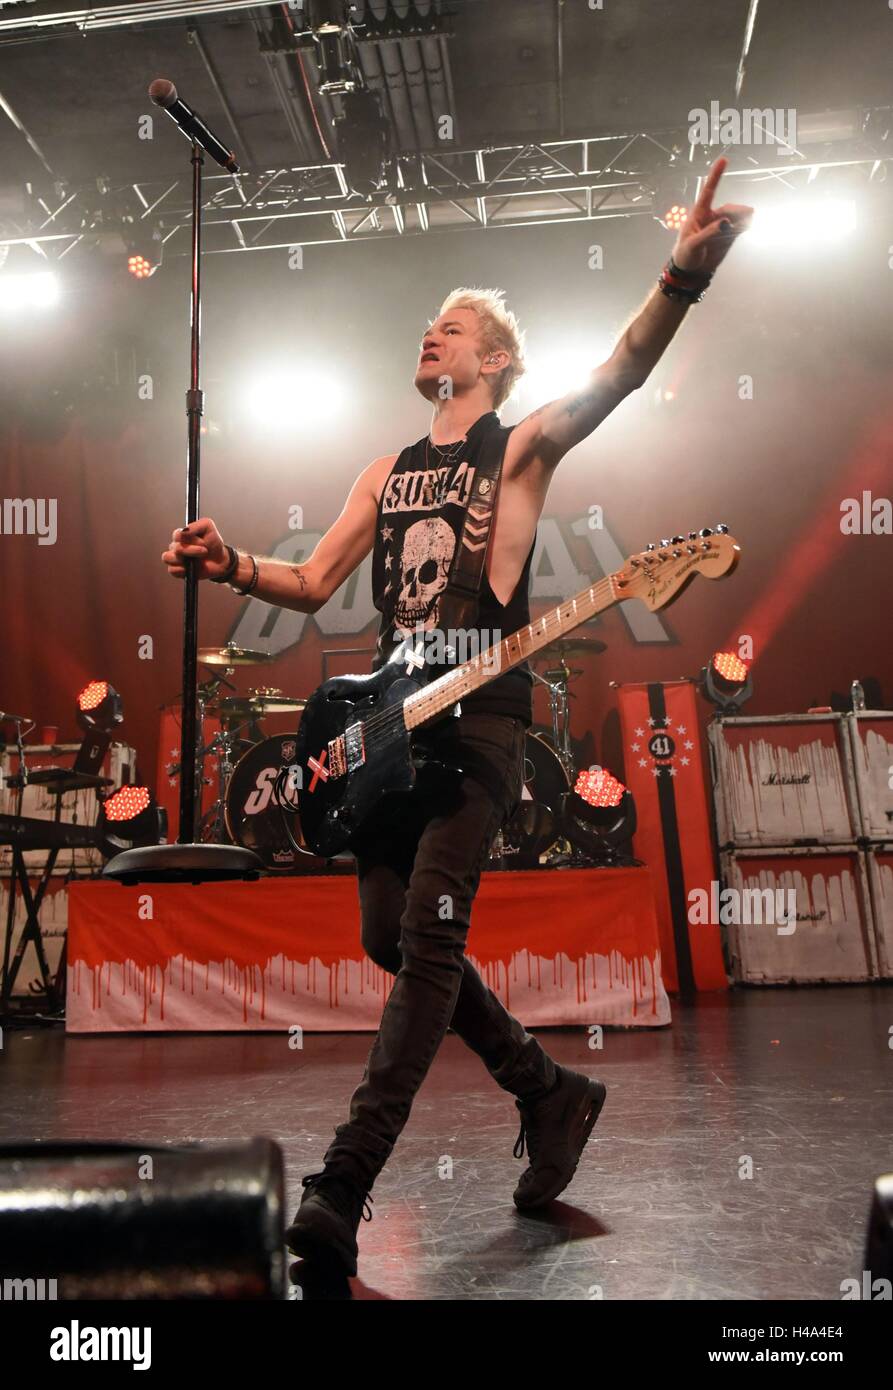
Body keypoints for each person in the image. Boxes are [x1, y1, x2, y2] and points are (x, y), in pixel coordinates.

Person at [162, 157, 751, 1277]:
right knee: (388, 937)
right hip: (390, 726)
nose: (430, 336)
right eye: (427, 326)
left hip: (480, 725)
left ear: (493, 360)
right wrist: (230, 557)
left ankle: (340, 1186)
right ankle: (547, 1086)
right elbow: (311, 580)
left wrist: (678, 272)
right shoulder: (382, 471)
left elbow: (621, 372)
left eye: (453, 327)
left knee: (426, 940)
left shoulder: (517, 448)